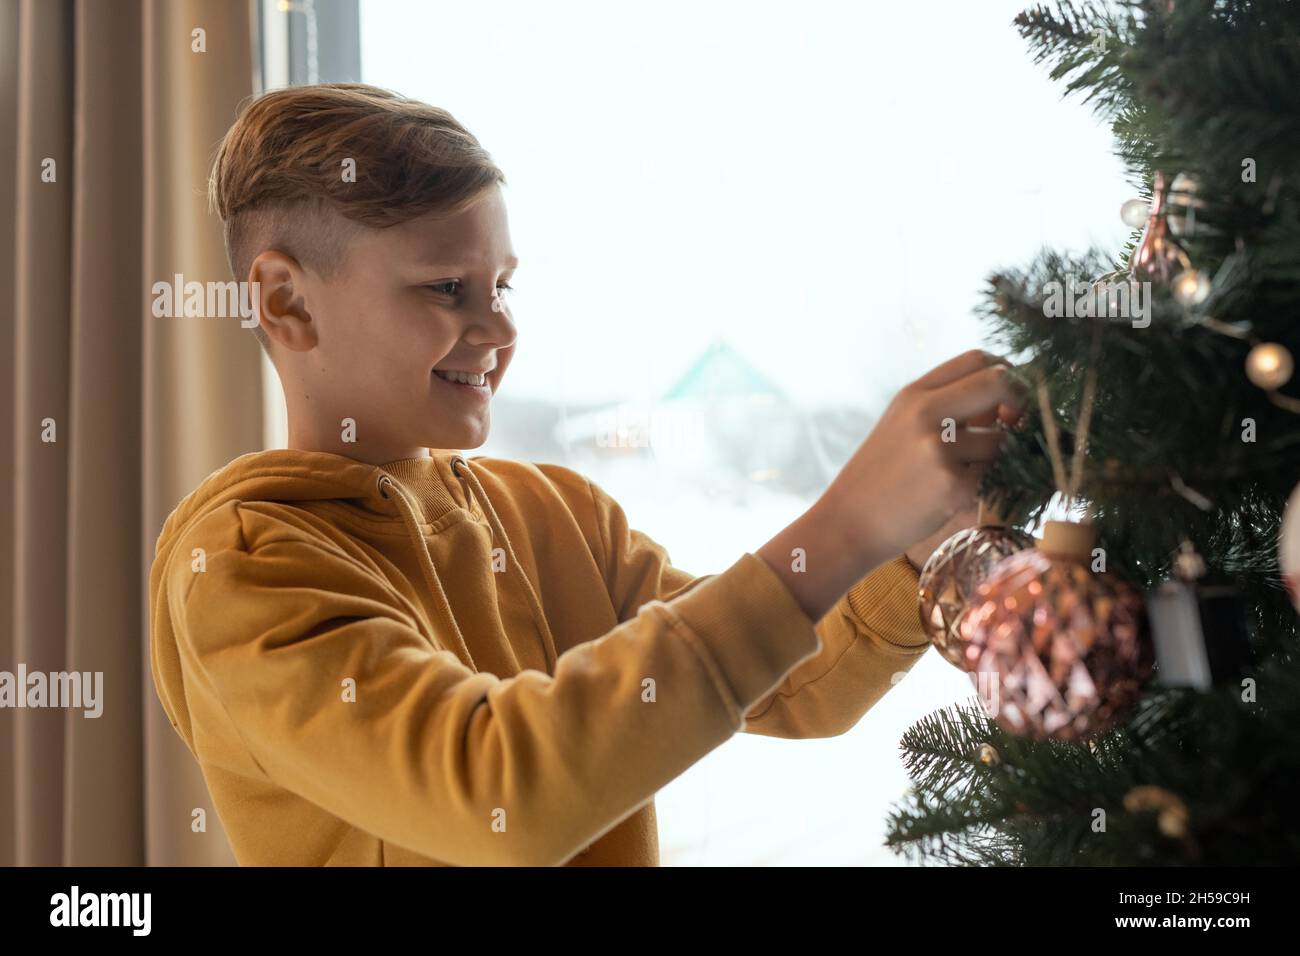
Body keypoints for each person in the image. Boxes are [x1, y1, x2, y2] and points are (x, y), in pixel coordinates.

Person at [148, 83, 1023, 867]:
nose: (496, 329)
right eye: (447, 287)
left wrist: (918, 545)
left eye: (504, 286)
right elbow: (499, 795)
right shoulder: (243, 566)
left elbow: (790, 682)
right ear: (288, 303)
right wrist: (849, 521)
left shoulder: (553, 513)